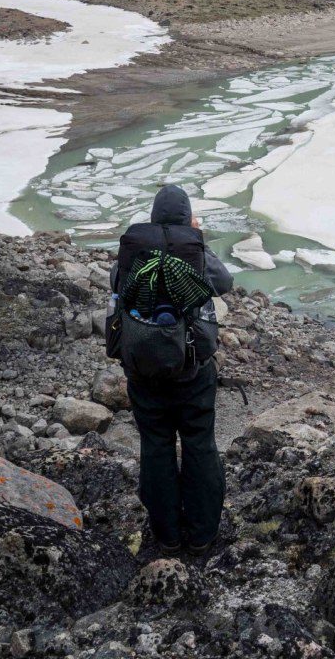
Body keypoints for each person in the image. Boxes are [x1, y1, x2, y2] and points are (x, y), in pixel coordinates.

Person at [108, 184, 234, 554]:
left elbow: (116, 287)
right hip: (192, 367)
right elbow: (223, 283)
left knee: (156, 446)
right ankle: (201, 536)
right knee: (199, 445)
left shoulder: (132, 250)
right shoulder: (193, 250)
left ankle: (167, 536)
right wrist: (197, 240)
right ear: (187, 217)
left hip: (142, 368)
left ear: (152, 216)